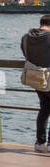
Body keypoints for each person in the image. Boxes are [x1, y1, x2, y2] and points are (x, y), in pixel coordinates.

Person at [22, 15, 50, 152]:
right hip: (49, 77)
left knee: (44, 109)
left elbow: (25, 54)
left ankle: (40, 142)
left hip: (35, 77)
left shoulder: (26, 37)